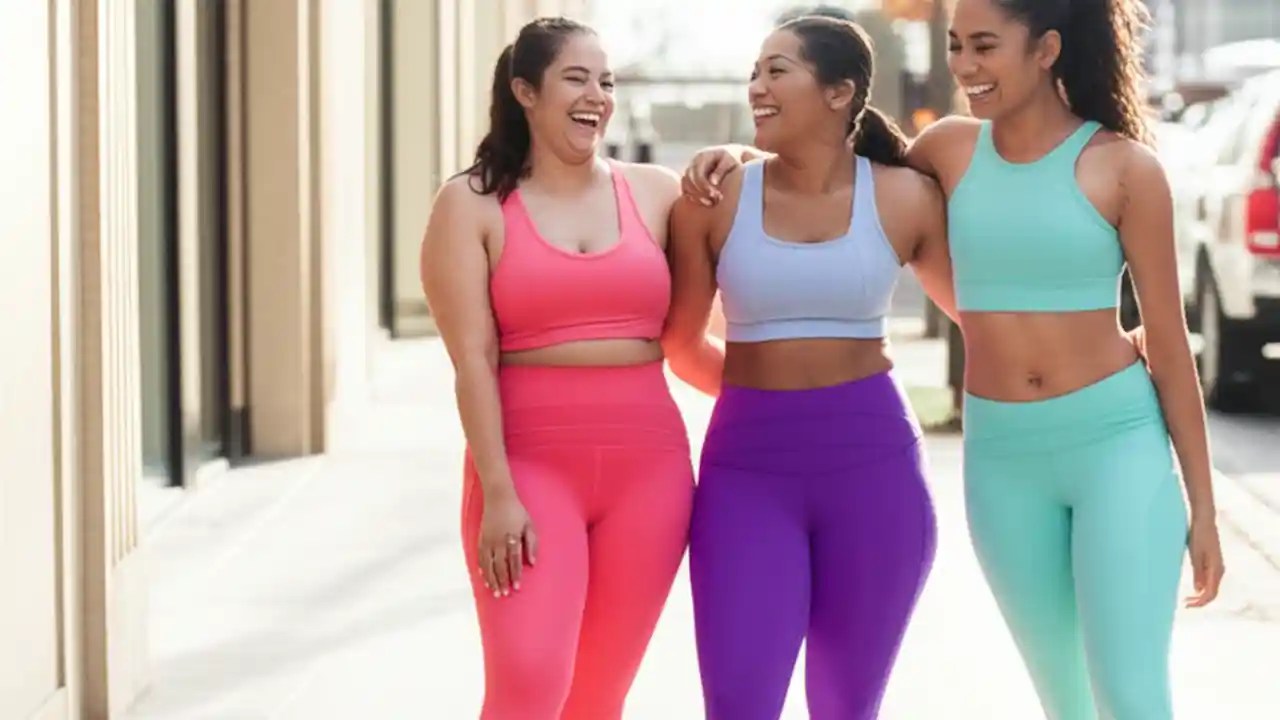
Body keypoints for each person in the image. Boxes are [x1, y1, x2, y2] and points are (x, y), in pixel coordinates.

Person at [684, 1, 1226, 717]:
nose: (965, 66)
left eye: (984, 46)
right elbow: (833, 169)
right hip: (1003, 458)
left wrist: (1205, 505)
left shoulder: (1125, 167)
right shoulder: (945, 152)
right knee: (1065, 700)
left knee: (1129, 695)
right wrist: (744, 158)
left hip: (1115, 437)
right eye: (955, 46)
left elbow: (1167, 342)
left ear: (1047, 49)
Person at [661, 16, 958, 720]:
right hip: (747, 476)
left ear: (838, 92)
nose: (757, 86)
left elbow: (985, 320)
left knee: (847, 706)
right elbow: (679, 343)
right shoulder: (713, 201)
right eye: (755, 72)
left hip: (876, 474)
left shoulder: (905, 196)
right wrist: (764, 404)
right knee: (738, 703)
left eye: (777, 70)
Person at [419, 18, 694, 720]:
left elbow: (713, 314)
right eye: (576, 77)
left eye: (606, 81)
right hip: (528, 466)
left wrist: (728, 157)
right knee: (529, 681)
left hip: (652, 471)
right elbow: (472, 362)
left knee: (599, 695)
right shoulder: (471, 203)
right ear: (524, 91)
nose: (597, 95)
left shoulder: (658, 194)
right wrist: (498, 492)